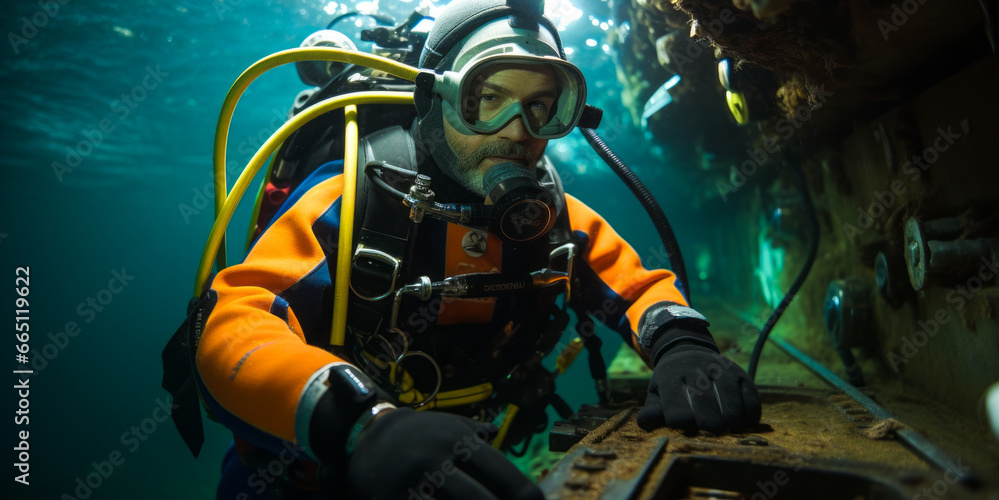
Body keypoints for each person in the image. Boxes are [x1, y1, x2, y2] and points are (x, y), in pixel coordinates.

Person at [192, 0, 762, 498]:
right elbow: (231, 323)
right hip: (306, 479)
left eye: (541, 106)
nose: (517, 130)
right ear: (436, 98)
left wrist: (681, 344)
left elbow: (638, 286)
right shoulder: (357, 195)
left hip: (468, 470)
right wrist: (359, 425)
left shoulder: (551, 214)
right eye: (489, 98)